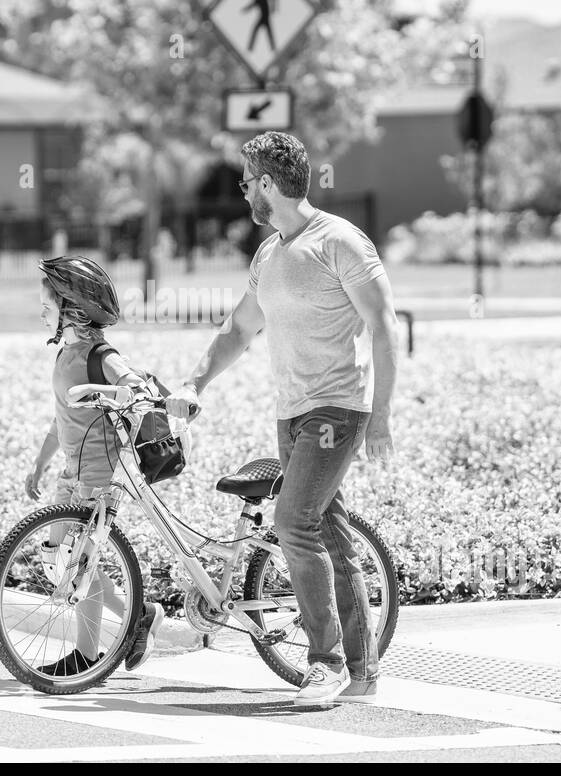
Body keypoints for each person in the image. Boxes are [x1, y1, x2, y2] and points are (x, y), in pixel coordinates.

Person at [167, 131, 399, 708]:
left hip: (337, 409)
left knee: (293, 523)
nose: (243, 190)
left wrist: (381, 417)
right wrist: (194, 383)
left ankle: (321, 666)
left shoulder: (340, 241)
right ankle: (363, 674)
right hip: (291, 414)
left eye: (247, 180)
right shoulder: (269, 254)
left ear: (269, 183)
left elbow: (384, 324)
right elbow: (240, 329)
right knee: (330, 538)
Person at [25, 255, 164, 676]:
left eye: (47, 306)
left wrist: (121, 390)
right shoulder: (64, 355)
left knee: (80, 563)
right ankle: (140, 613)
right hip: (72, 473)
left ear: (72, 310)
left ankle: (87, 657)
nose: (41, 313)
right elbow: (60, 418)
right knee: (60, 559)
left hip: (99, 475)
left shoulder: (100, 355)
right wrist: (38, 466)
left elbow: (136, 386)